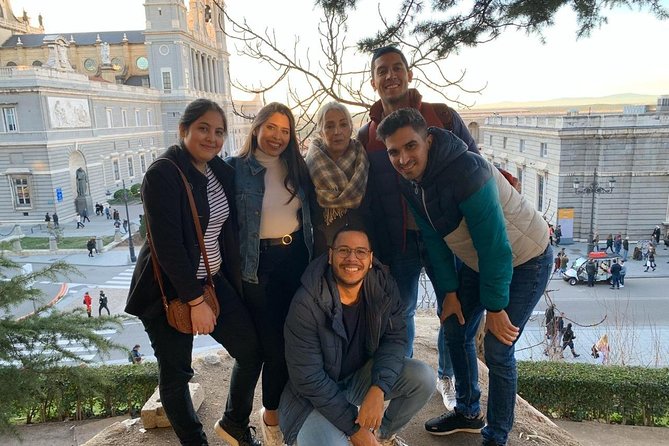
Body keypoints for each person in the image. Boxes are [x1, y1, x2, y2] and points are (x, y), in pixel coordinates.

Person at [377, 108, 552, 446]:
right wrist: (449, 292)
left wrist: (495, 308)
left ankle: (496, 436)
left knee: (498, 349)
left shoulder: (468, 172)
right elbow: (434, 239)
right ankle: (468, 412)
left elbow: (495, 247)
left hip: (526, 258)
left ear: (428, 141)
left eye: (410, 146)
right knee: (455, 326)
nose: (403, 159)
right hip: (479, 260)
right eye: (393, 152)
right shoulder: (410, 181)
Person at [125, 98, 263, 446]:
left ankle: (233, 423)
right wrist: (195, 301)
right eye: (203, 128)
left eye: (219, 131)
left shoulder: (218, 170)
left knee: (251, 351)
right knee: (176, 374)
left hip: (213, 281)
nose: (212, 138)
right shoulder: (163, 174)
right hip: (168, 290)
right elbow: (168, 246)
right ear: (183, 130)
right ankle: (195, 442)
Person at [357, 45, 473, 408]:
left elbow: (473, 164)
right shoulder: (367, 136)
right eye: (381, 70)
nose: (390, 75)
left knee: (452, 308)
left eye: (397, 68)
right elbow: (363, 195)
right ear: (373, 81)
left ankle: (447, 377)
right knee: (399, 314)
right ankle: (402, 378)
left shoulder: (442, 117)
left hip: (446, 235)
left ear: (409, 74)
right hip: (398, 241)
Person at [279, 227, 435, 446]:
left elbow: (395, 339)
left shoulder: (383, 286)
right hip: (312, 399)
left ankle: (381, 437)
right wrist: (355, 430)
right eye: (344, 250)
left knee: (423, 377)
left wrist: (379, 388)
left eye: (361, 251)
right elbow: (309, 378)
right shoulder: (307, 302)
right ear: (330, 256)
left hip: (358, 378)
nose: (352, 258)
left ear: (370, 259)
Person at [226, 102, 314, 446]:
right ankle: (269, 419)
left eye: (285, 130)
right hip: (258, 265)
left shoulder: (296, 166)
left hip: (296, 258)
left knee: (294, 340)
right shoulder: (234, 169)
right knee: (272, 348)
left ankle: (285, 411)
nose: (278, 136)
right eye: (271, 128)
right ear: (257, 128)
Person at [306, 102, 371, 255]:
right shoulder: (307, 168)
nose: (337, 131)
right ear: (320, 131)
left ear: (351, 128)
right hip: (324, 251)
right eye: (329, 126)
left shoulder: (365, 162)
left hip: (363, 251)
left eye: (343, 124)